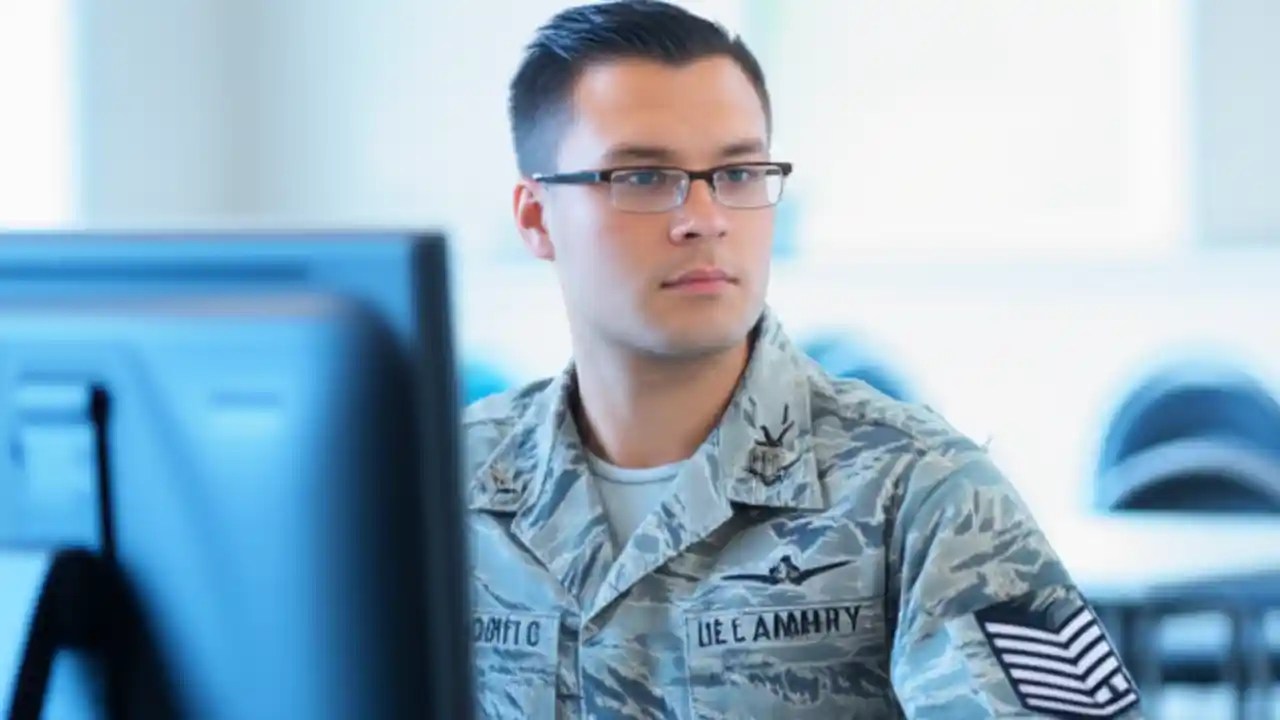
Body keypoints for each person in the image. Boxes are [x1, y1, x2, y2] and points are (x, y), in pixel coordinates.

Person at [464, 1, 1144, 717]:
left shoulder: (923, 493)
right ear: (537, 218)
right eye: (642, 178)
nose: (706, 217)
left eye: (738, 173)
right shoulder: (443, 491)